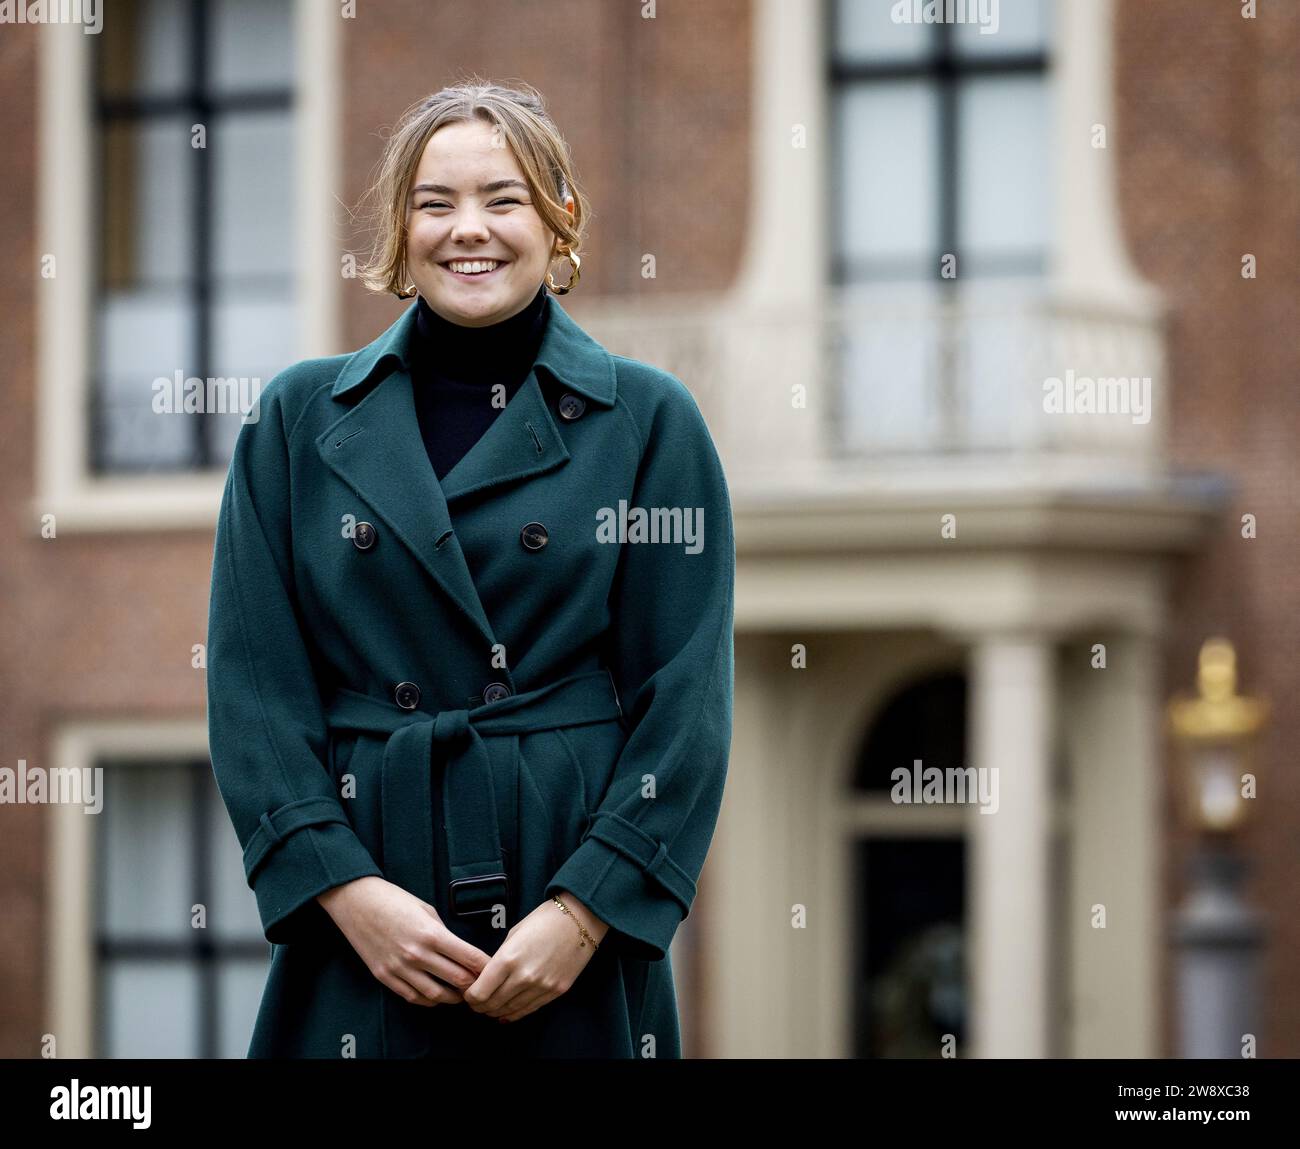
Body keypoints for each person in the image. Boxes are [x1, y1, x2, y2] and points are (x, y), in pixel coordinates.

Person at [206, 79, 735, 1058]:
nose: (468, 230)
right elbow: (252, 692)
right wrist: (345, 892)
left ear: (559, 220)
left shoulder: (651, 422)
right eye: (433, 202)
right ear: (398, 231)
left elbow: (688, 704)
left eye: (504, 198)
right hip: (366, 901)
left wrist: (583, 915)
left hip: (564, 908)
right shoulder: (295, 418)